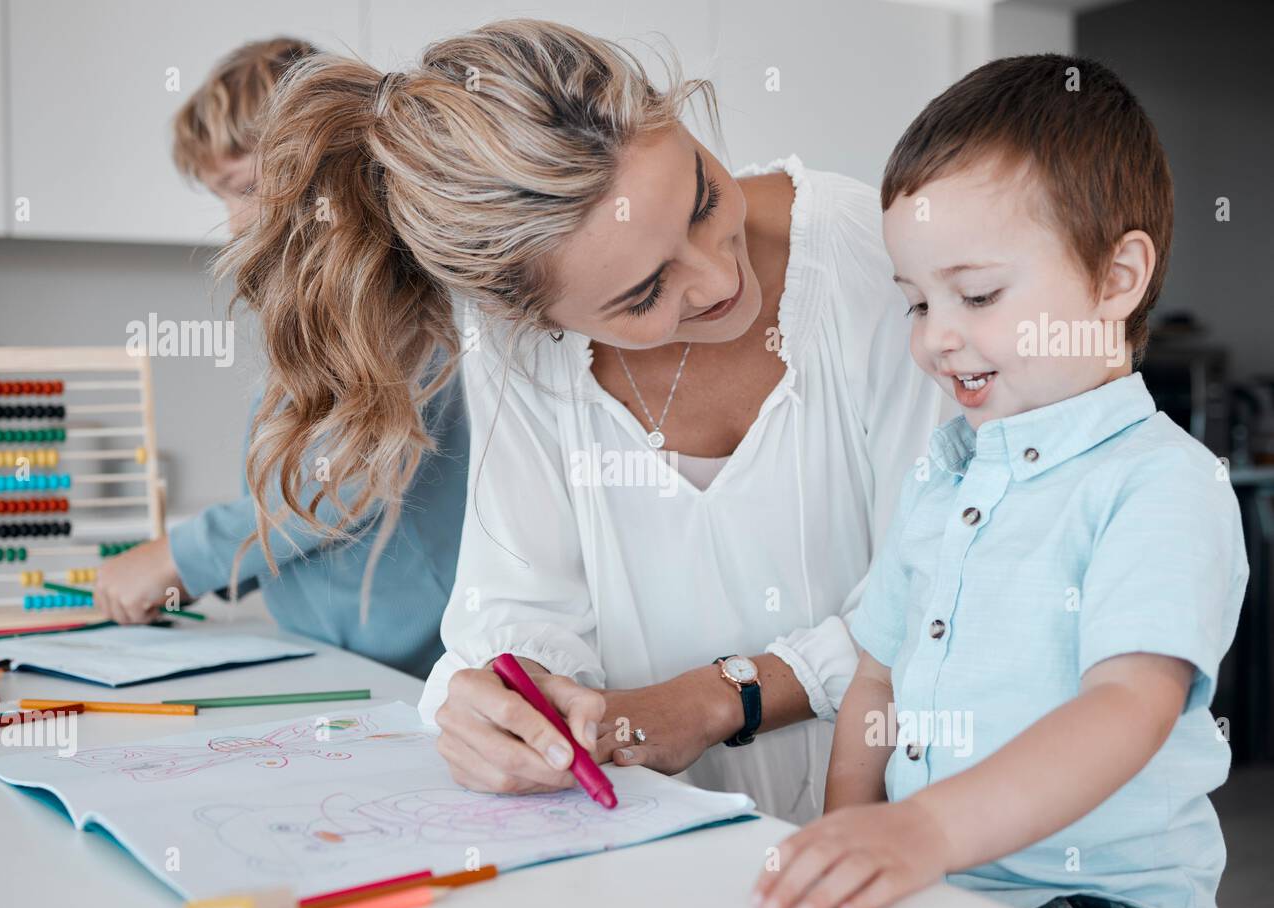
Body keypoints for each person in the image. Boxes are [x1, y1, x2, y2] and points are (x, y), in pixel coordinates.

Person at [221, 19, 945, 822]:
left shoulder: (872, 257)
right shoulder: (514, 346)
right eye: (642, 294)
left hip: (904, 829)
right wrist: (500, 700)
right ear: (533, 317)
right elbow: (522, 605)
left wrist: (717, 698)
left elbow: (942, 585)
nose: (716, 280)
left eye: (703, 197)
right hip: (657, 839)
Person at [754, 55, 1247, 908]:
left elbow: (1128, 703)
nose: (939, 338)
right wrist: (841, 838)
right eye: (914, 303)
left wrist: (925, 830)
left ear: (1116, 278)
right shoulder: (942, 476)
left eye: (977, 294)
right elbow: (875, 679)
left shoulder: (1163, 486)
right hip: (941, 895)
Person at [92, 37, 468, 680]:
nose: (235, 223)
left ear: (321, 163)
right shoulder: (308, 306)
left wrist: (182, 556)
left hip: (411, 663)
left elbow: (348, 477)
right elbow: (289, 479)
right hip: (330, 646)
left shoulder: (409, 301)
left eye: (245, 189)